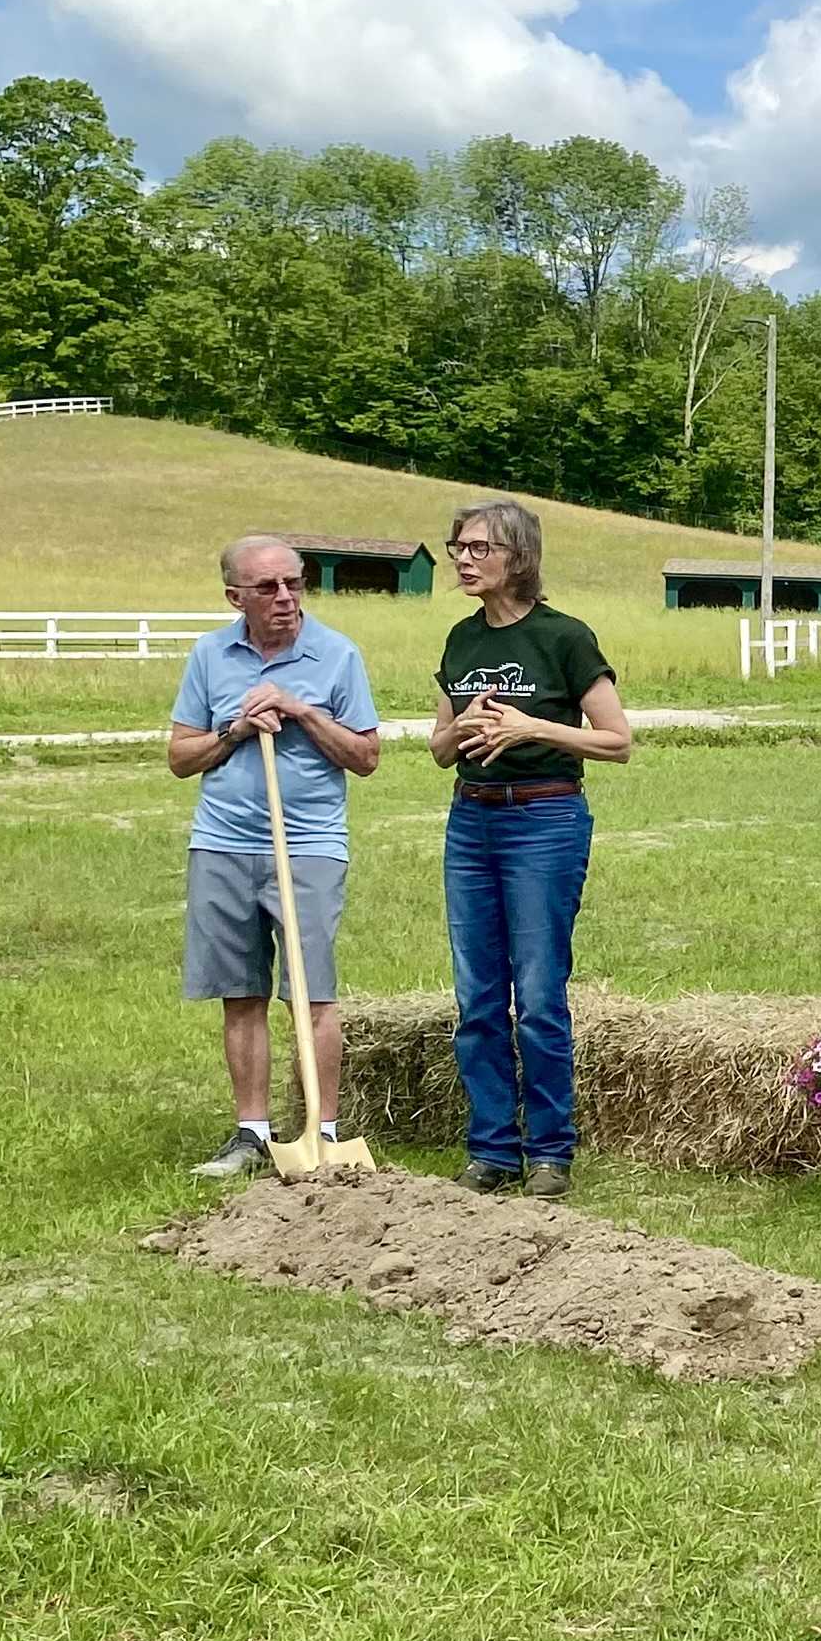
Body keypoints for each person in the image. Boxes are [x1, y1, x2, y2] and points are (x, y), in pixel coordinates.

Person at [430, 499, 630, 1195]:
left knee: (538, 993)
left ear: (517, 555)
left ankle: (550, 1150)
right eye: (457, 546)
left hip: (543, 822)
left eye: (478, 547)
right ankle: (491, 1150)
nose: (462, 558)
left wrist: (529, 728)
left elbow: (616, 741)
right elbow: (436, 746)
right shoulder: (461, 639)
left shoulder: (564, 637)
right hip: (471, 821)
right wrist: (467, 729)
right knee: (477, 995)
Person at [168, 535, 382, 1176]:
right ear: (236, 596)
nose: (286, 598)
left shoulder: (338, 656)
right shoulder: (210, 655)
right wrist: (234, 730)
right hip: (225, 842)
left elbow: (366, 757)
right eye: (268, 588)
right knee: (240, 992)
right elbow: (180, 758)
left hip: (309, 846)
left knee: (312, 992)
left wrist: (300, 711)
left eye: (294, 583)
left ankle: (324, 1130)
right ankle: (253, 1133)